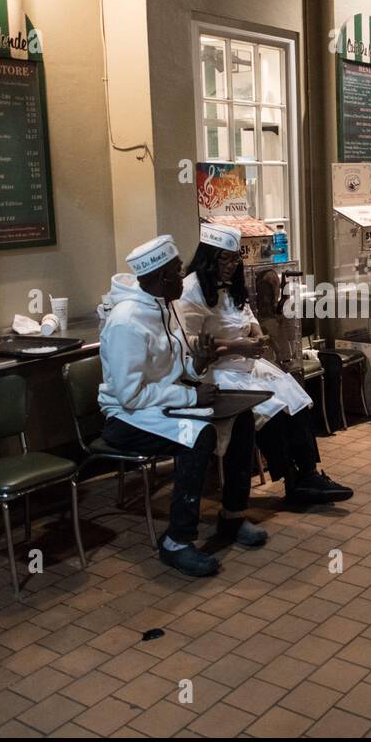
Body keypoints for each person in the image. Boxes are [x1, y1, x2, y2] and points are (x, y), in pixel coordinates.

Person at [98, 234, 268, 578]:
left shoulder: (164, 307)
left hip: (156, 405)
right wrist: (190, 397)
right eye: (177, 272)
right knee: (199, 435)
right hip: (124, 417)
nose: (184, 277)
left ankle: (232, 518)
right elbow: (129, 395)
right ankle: (177, 540)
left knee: (241, 418)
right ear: (160, 278)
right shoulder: (126, 322)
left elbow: (176, 364)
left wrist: (199, 363)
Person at [178, 223, 354, 506]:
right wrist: (237, 346)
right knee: (269, 411)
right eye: (225, 259)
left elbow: (247, 314)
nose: (231, 265)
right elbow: (191, 349)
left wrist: (258, 337)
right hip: (217, 373)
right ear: (208, 257)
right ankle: (292, 482)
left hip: (247, 363)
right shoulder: (191, 291)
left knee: (294, 400)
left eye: (236, 259)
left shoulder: (231, 285)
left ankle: (308, 473)